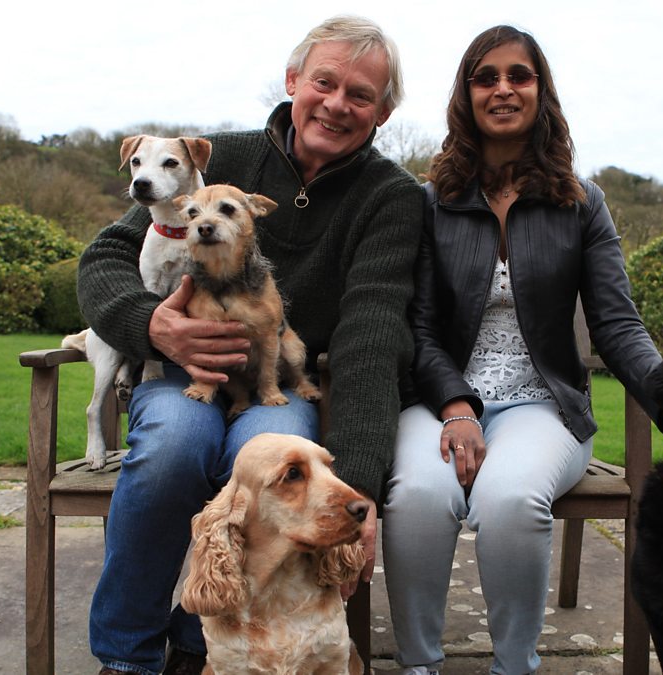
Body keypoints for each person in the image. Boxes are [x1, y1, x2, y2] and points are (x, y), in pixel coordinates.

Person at [76, 16, 422, 675]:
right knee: (174, 448)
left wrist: (361, 486)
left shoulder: (390, 197)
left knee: (273, 466)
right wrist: (151, 324)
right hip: (183, 372)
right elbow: (107, 258)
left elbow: (372, 338)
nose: (337, 103)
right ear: (294, 80)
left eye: (361, 94)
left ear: (383, 112)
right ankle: (126, 656)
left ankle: (203, 643)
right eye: (324, 81)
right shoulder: (218, 159)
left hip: (276, 387)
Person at [382, 25, 663, 675]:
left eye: (519, 75)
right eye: (486, 76)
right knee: (419, 494)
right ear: (466, 94)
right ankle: (419, 664)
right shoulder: (432, 204)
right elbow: (418, 327)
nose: (503, 88)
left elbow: (618, 325)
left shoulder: (581, 203)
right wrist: (454, 405)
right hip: (438, 397)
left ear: (541, 90)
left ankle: (514, 665)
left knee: (511, 498)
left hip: (545, 404)